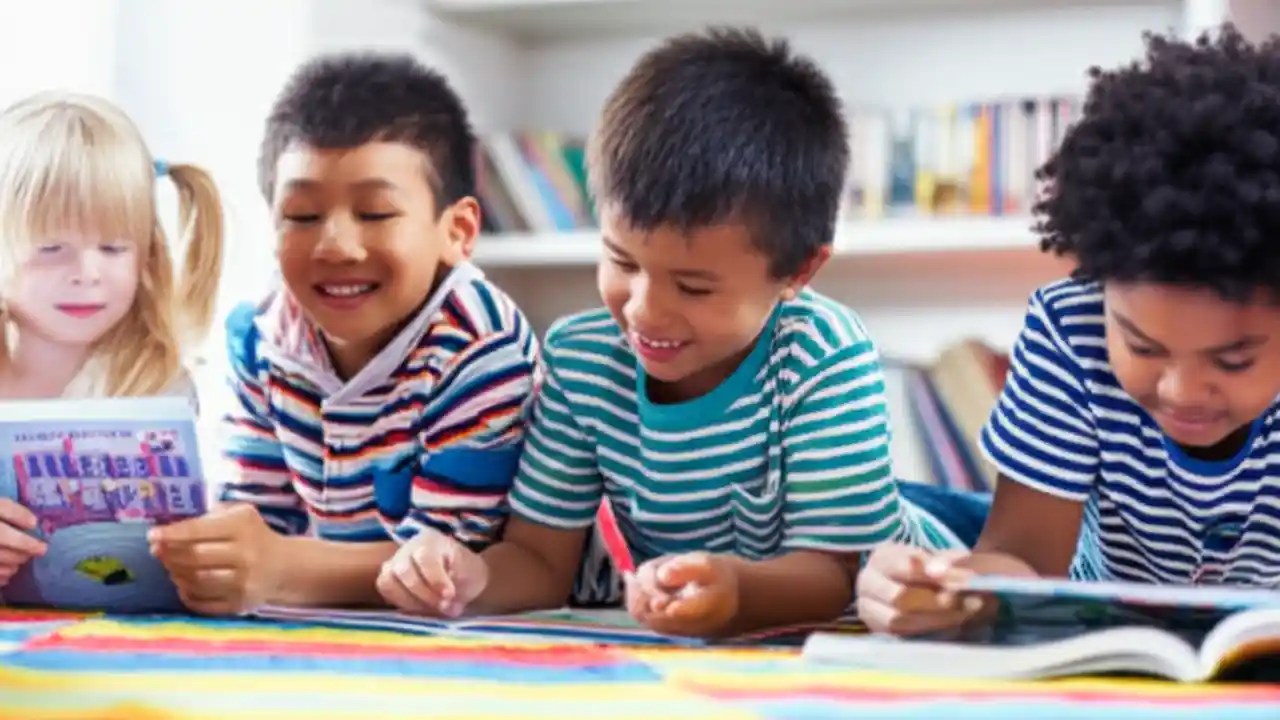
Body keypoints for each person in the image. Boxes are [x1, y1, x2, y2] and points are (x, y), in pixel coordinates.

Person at [375, 27, 959, 638]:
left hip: (907, 583)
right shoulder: (581, 361)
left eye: (694, 287)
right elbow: (540, 560)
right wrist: (465, 579)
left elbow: (829, 578)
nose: (645, 312)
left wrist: (733, 589)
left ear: (799, 270)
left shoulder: (821, 353)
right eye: (622, 262)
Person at [856, 24, 1280, 637]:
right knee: (905, 517)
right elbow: (1023, 561)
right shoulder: (1070, 331)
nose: (1183, 390)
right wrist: (945, 591)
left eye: (1233, 361)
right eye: (1141, 346)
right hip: (1102, 633)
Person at [148, 53, 538, 615]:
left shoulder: (482, 350)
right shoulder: (259, 339)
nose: (335, 246)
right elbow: (258, 515)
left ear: (457, 231)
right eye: (303, 216)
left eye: (376, 214)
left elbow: (450, 560)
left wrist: (278, 567)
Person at [0, 91, 224, 590]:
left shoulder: (156, 384)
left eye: (113, 247)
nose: (87, 273)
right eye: (52, 247)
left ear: (147, 254)